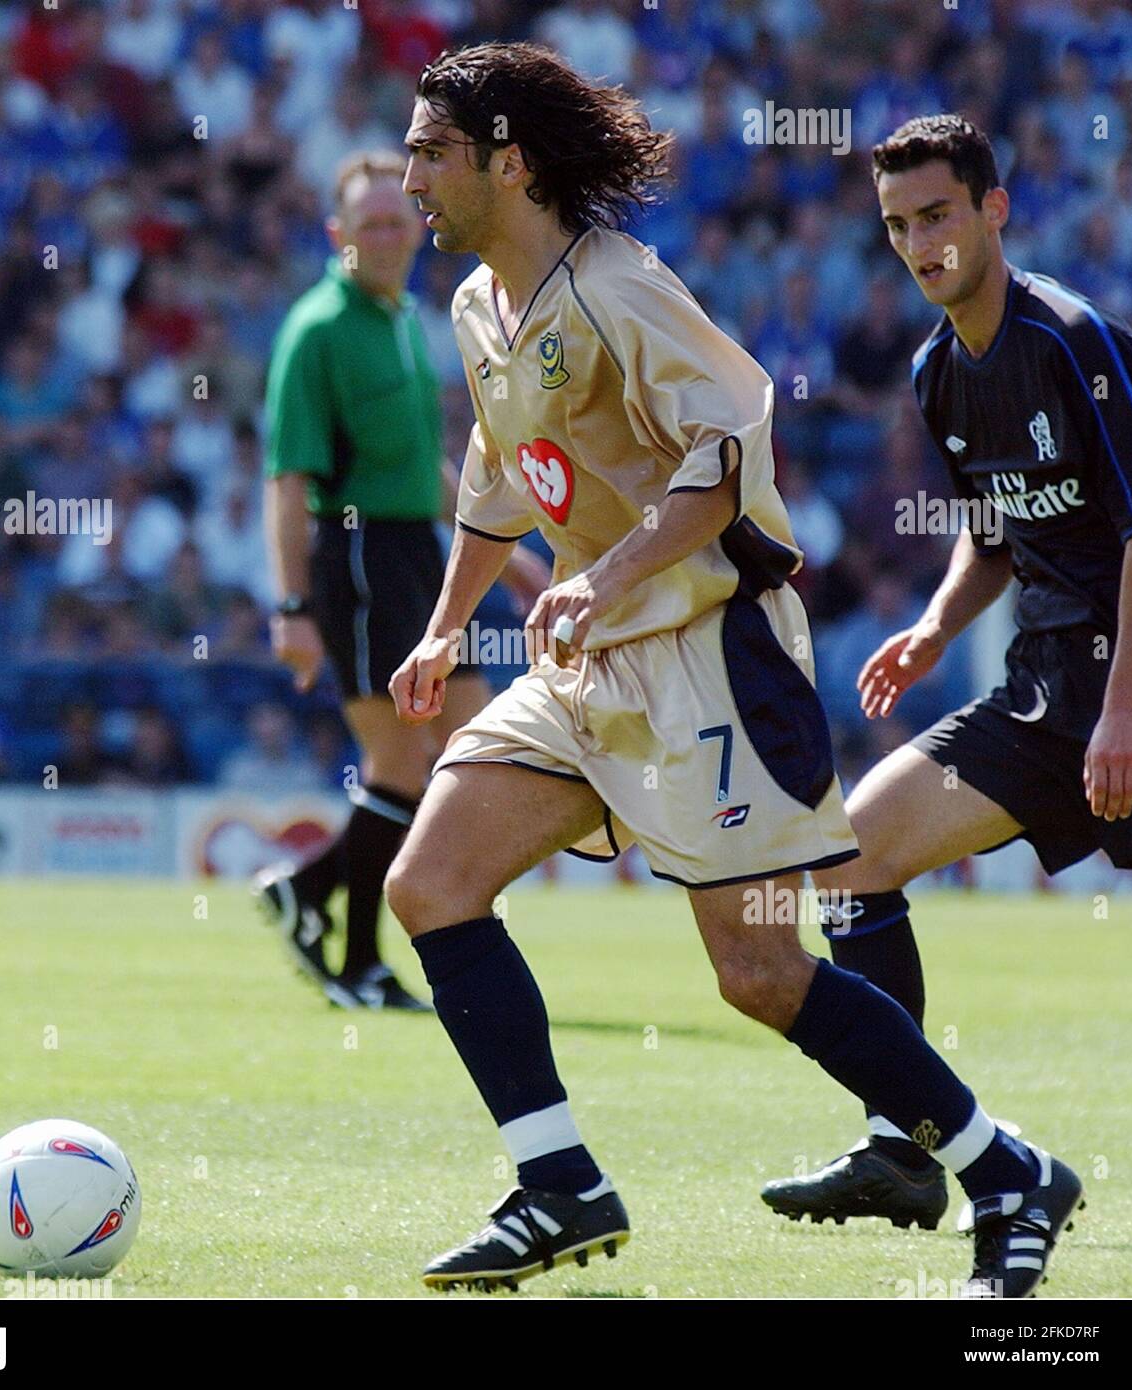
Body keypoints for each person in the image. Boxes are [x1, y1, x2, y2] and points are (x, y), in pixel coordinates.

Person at [386, 46, 1077, 1297]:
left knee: (759, 972)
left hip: (712, 660)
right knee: (430, 880)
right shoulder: (480, 309)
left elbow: (728, 438)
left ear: (508, 160)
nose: (409, 176)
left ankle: (1001, 1164)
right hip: (588, 670)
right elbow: (498, 487)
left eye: (431, 152)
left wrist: (607, 574)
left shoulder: (618, 288)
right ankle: (560, 1186)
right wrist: (445, 625)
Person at [761, 115, 1132, 1264]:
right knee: (848, 854)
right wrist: (931, 629)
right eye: (895, 226)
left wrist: (1128, 708)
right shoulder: (935, 372)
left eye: (936, 215)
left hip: (1128, 674)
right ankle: (903, 1144)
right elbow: (993, 532)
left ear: (994, 209)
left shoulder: (1071, 339)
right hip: (1046, 684)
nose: (918, 244)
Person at [257, 148, 546, 1011]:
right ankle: (354, 956)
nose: (390, 236)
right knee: (399, 764)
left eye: (399, 220)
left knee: (472, 750)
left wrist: (513, 553)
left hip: (422, 557)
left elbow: (428, 465)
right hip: (358, 559)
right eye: (371, 223)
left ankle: (311, 898)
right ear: (337, 234)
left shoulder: (401, 318)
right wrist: (293, 607)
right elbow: (287, 481)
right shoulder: (317, 330)